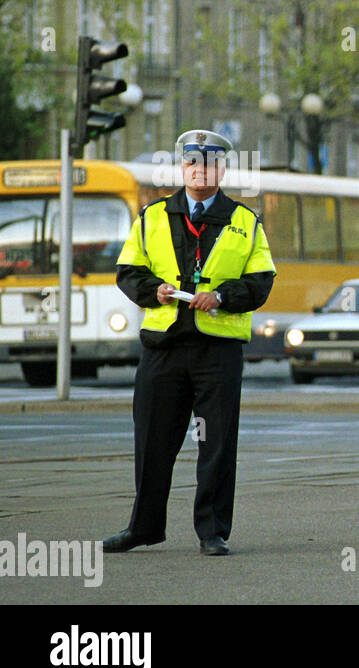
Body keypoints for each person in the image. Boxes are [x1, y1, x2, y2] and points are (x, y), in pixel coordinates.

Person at [103, 129, 276, 556]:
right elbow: (128, 271)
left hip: (217, 349)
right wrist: (153, 291)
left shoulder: (245, 221)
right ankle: (143, 528)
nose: (201, 172)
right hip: (164, 346)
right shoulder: (152, 216)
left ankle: (211, 531)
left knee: (216, 443)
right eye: (193, 164)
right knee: (152, 441)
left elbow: (261, 280)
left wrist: (221, 297)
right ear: (183, 168)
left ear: (222, 169)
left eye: (211, 164)